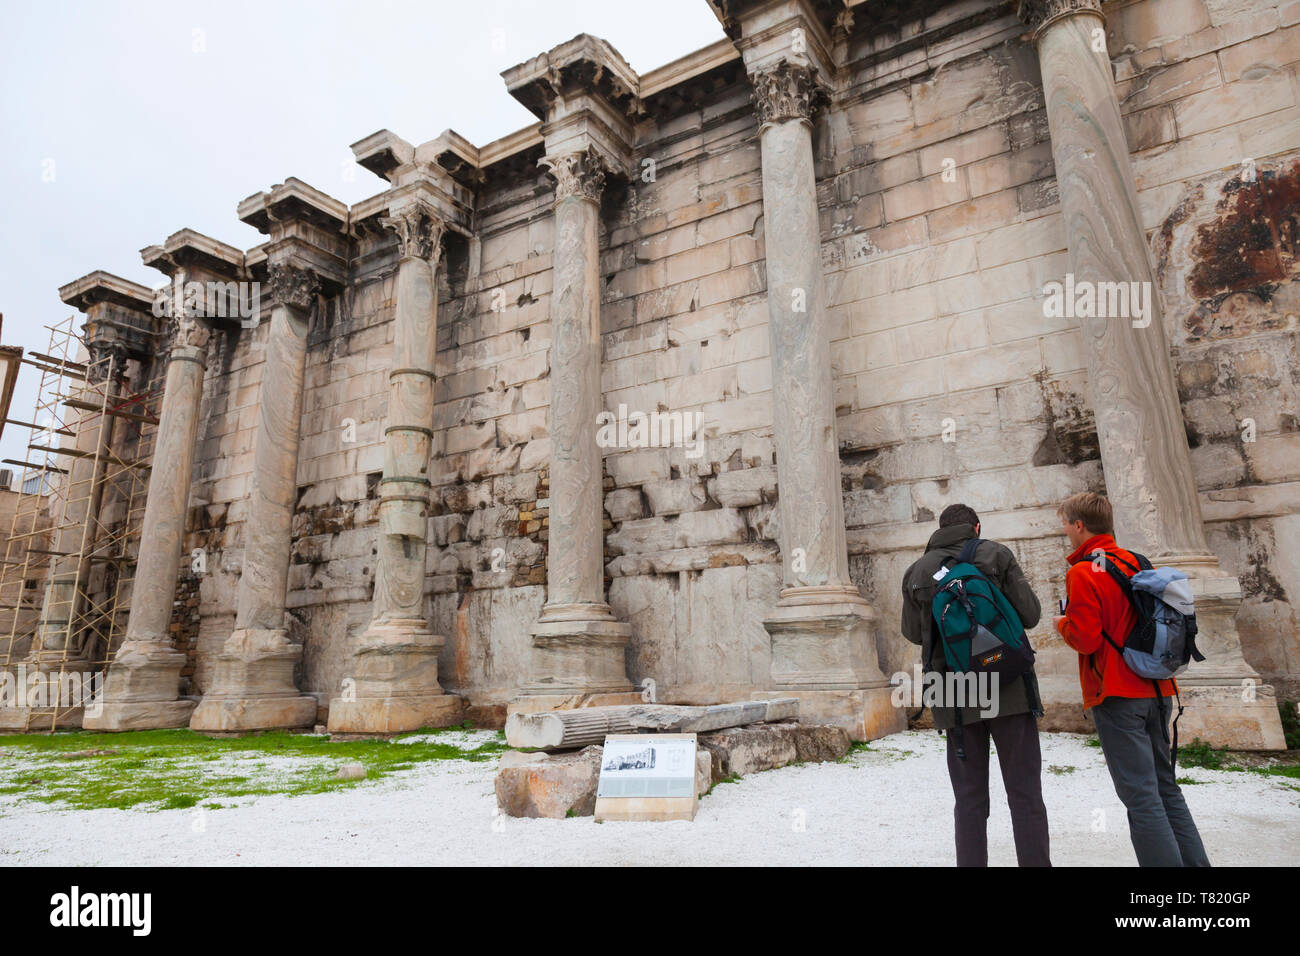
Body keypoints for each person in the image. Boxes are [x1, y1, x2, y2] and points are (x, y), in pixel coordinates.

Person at [1053, 491, 1210, 867]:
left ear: (1079, 526)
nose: (1065, 532)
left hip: (1117, 693)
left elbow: (1086, 638)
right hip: (1158, 687)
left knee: (1141, 797)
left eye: (1066, 525)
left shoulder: (1082, 572)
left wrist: (1062, 624)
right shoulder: (1136, 561)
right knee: (1166, 789)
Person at [901, 503, 1050, 867]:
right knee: (1025, 795)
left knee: (968, 800)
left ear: (939, 530)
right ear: (977, 528)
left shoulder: (917, 571)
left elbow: (913, 633)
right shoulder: (996, 555)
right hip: (1008, 685)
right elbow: (1030, 615)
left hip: (953, 694)